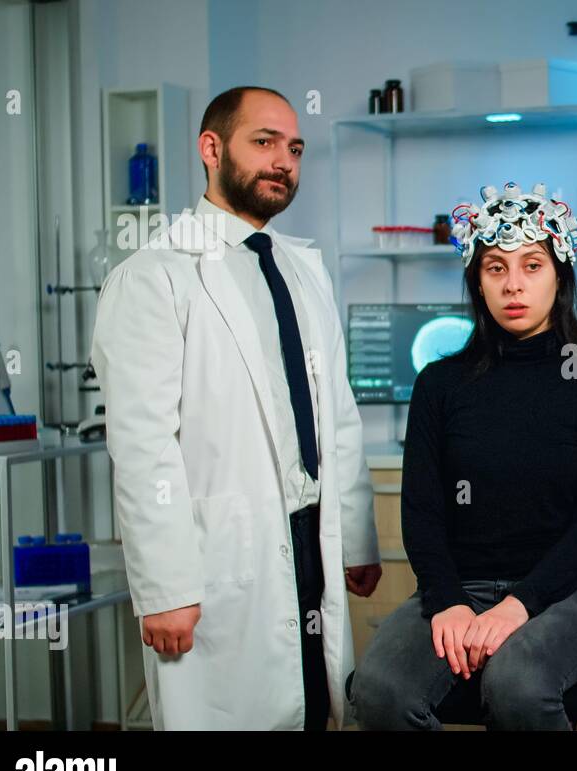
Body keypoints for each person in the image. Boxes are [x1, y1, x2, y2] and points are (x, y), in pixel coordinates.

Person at [90, 86, 382, 730]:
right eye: (265, 142)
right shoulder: (153, 277)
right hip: (217, 553)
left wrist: (356, 534)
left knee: (315, 710)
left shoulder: (305, 272)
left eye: (295, 148)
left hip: (312, 539)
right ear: (211, 148)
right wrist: (165, 589)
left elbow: (337, 413)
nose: (283, 160)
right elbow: (142, 447)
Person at [351, 182, 577, 731]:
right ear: (477, 282)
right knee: (380, 691)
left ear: (561, 275)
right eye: (495, 268)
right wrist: (449, 601)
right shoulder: (440, 384)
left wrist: (520, 604)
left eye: (532, 265)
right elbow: (423, 513)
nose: (514, 285)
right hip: (462, 589)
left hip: (573, 597)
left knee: (517, 686)